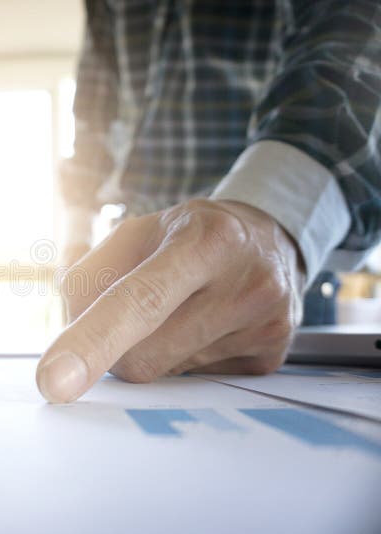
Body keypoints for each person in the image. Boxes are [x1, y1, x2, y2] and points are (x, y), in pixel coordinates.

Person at [35, 0, 381, 403]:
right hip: (135, 260)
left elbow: (357, 29)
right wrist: (76, 240)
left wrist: (274, 211)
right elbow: (96, 106)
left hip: (274, 266)